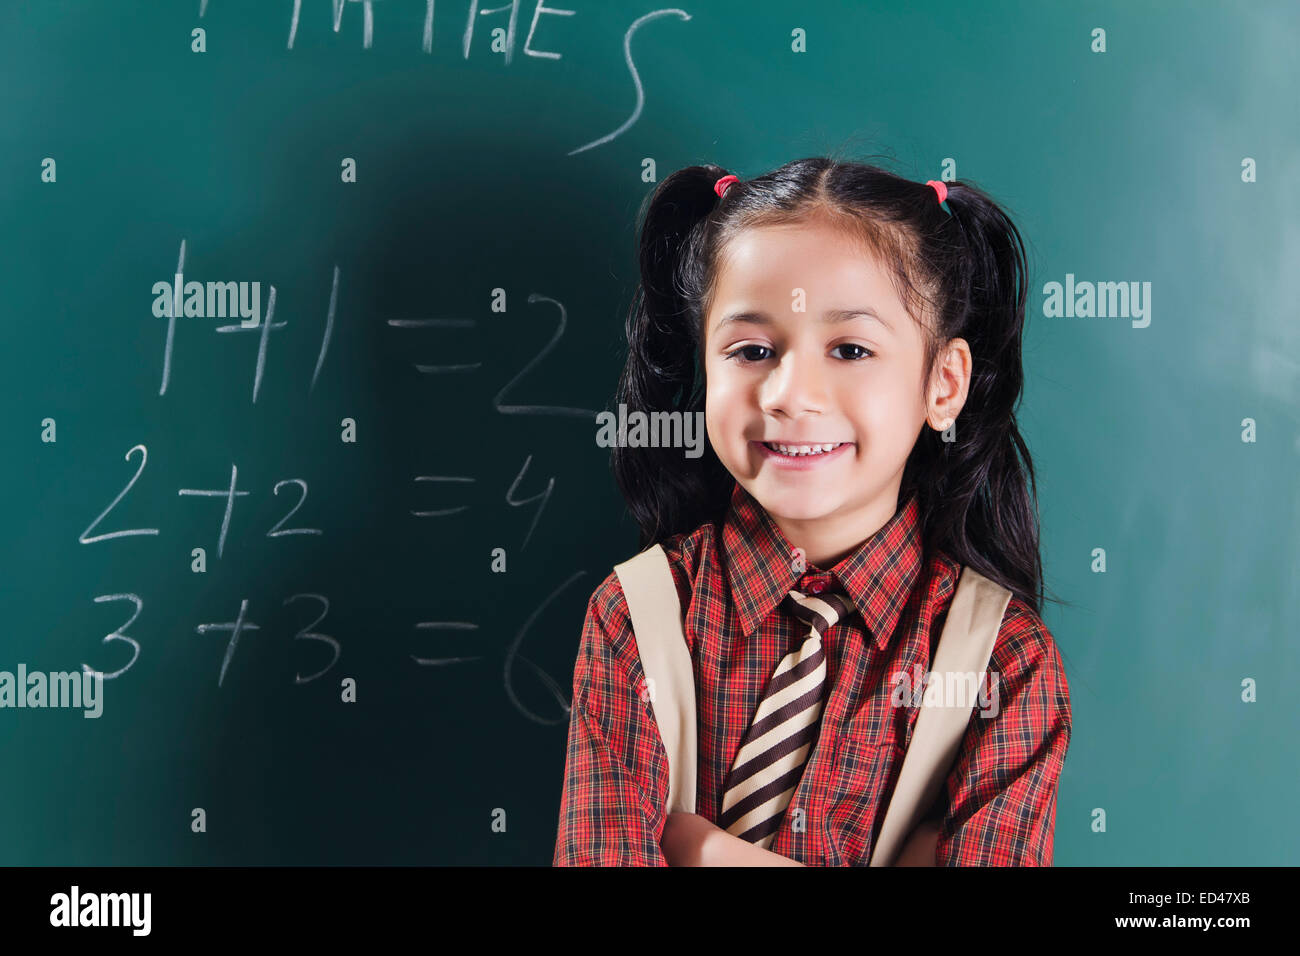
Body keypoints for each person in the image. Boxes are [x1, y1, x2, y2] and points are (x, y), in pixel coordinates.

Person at [553, 157, 1072, 865]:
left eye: (850, 348)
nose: (790, 395)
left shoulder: (1004, 665)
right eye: (753, 350)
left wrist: (701, 851)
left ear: (943, 383)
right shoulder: (635, 619)